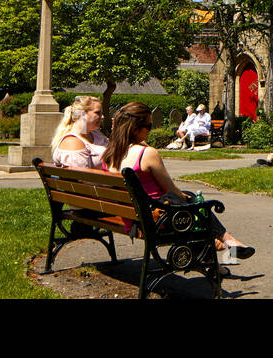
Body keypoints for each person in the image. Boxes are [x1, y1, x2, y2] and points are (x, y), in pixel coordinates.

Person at [102, 102, 254, 260]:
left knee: (189, 204)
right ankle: (226, 240)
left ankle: (217, 255)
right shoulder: (146, 154)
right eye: (148, 125)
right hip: (157, 220)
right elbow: (171, 190)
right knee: (192, 202)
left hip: (131, 219)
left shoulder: (109, 155)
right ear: (135, 128)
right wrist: (187, 199)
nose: (150, 129)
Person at [49, 96, 108, 168]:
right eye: (97, 113)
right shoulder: (72, 142)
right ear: (82, 114)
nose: (102, 117)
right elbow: (82, 176)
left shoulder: (95, 134)